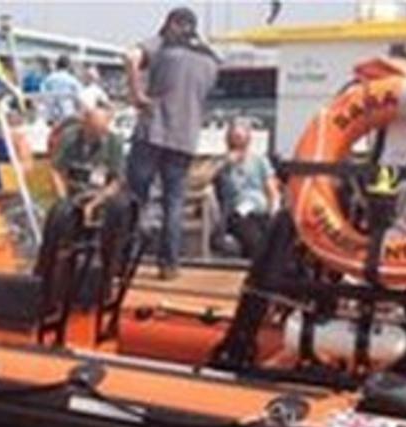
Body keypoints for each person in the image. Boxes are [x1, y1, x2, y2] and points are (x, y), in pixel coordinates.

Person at [124, 7, 219, 280]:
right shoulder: (210, 58)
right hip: (185, 138)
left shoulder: (162, 44)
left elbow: (130, 57)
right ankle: (169, 265)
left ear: (171, 24)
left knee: (135, 198)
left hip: (153, 132)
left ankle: (124, 260)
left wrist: (137, 95)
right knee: (174, 202)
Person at [50, 98, 125, 224]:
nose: (97, 136)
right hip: (73, 191)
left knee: (118, 209)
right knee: (60, 217)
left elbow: (117, 181)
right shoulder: (69, 137)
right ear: (84, 124)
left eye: (101, 132)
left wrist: (95, 203)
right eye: (93, 131)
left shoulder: (114, 142)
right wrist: (63, 199)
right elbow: (56, 170)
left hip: (100, 193)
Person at [212, 120, 280, 257]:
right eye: (233, 138)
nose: (237, 143)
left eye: (240, 138)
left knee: (274, 234)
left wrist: (274, 211)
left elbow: (272, 190)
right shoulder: (221, 163)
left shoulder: (259, 160)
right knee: (253, 237)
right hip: (237, 214)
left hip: (261, 210)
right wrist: (224, 164)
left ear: (248, 140)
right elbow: (205, 180)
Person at [40, 54, 82, 125]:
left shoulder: (48, 79)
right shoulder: (72, 80)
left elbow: (42, 95)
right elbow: (79, 96)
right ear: (68, 66)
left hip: (51, 116)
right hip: (67, 115)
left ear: (57, 65)